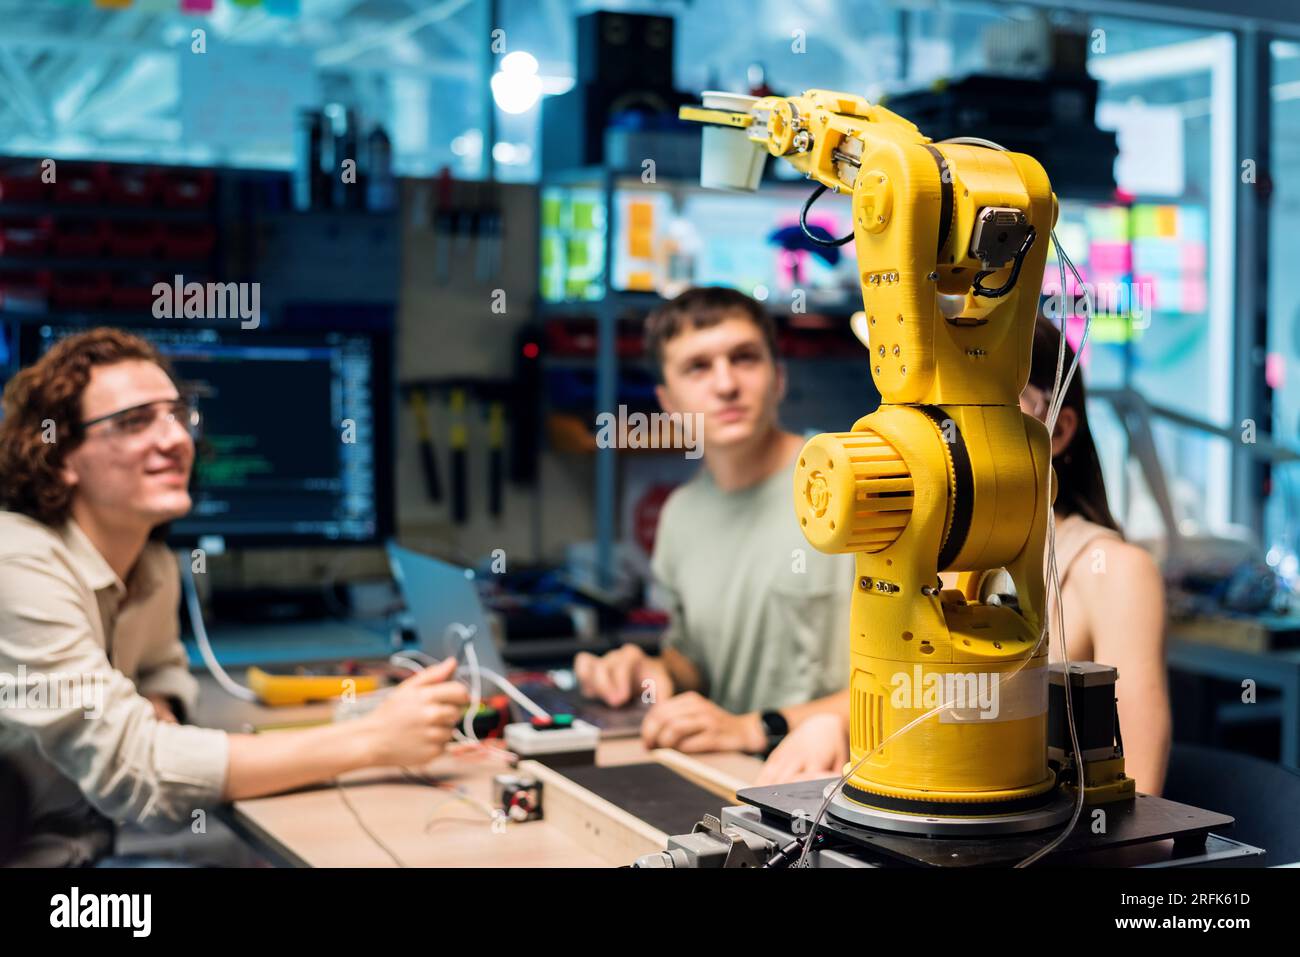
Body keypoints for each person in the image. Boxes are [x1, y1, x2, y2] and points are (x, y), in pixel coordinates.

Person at [0, 328, 469, 866]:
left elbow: (161, 670)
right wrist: (373, 740)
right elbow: (136, 773)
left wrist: (158, 710)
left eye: (177, 415)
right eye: (134, 422)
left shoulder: (149, 562)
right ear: (61, 456)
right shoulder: (16, 565)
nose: (175, 439)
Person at [761, 315, 1171, 796]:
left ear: (1056, 432)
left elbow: (1142, 815)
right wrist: (831, 724)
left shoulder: (1115, 573)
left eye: (979, 411)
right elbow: (916, 702)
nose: (943, 439)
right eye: (931, 414)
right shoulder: (931, 557)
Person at [574, 287, 853, 758]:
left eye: (744, 358)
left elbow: (917, 686)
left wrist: (753, 728)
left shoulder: (854, 485)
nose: (725, 384)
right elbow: (698, 663)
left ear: (778, 378)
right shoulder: (680, 515)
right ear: (668, 401)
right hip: (729, 783)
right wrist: (653, 669)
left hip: (838, 793)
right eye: (697, 367)